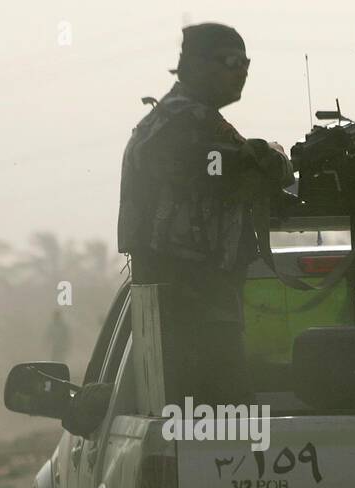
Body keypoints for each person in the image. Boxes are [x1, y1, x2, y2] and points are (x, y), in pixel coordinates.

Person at [117, 22, 294, 408]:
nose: (242, 70)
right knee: (219, 425)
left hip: (193, 303)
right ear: (193, 65)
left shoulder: (185, 118)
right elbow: (257, 165)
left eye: (246, 62)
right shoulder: (186, 120)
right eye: (230, 61)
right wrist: (279, 155)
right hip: (190, 307)